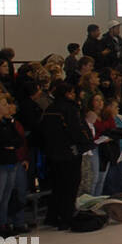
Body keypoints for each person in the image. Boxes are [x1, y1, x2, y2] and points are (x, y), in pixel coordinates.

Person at [40, 80, 91, 229]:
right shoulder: (70, 109)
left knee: (57, 185)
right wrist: (87, 142)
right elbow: (77, 129)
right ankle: (66, 217)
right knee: (70, 185)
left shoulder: (50, 108)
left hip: (53, 152)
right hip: (69, 152)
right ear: (68, 93)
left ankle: (53, 216)